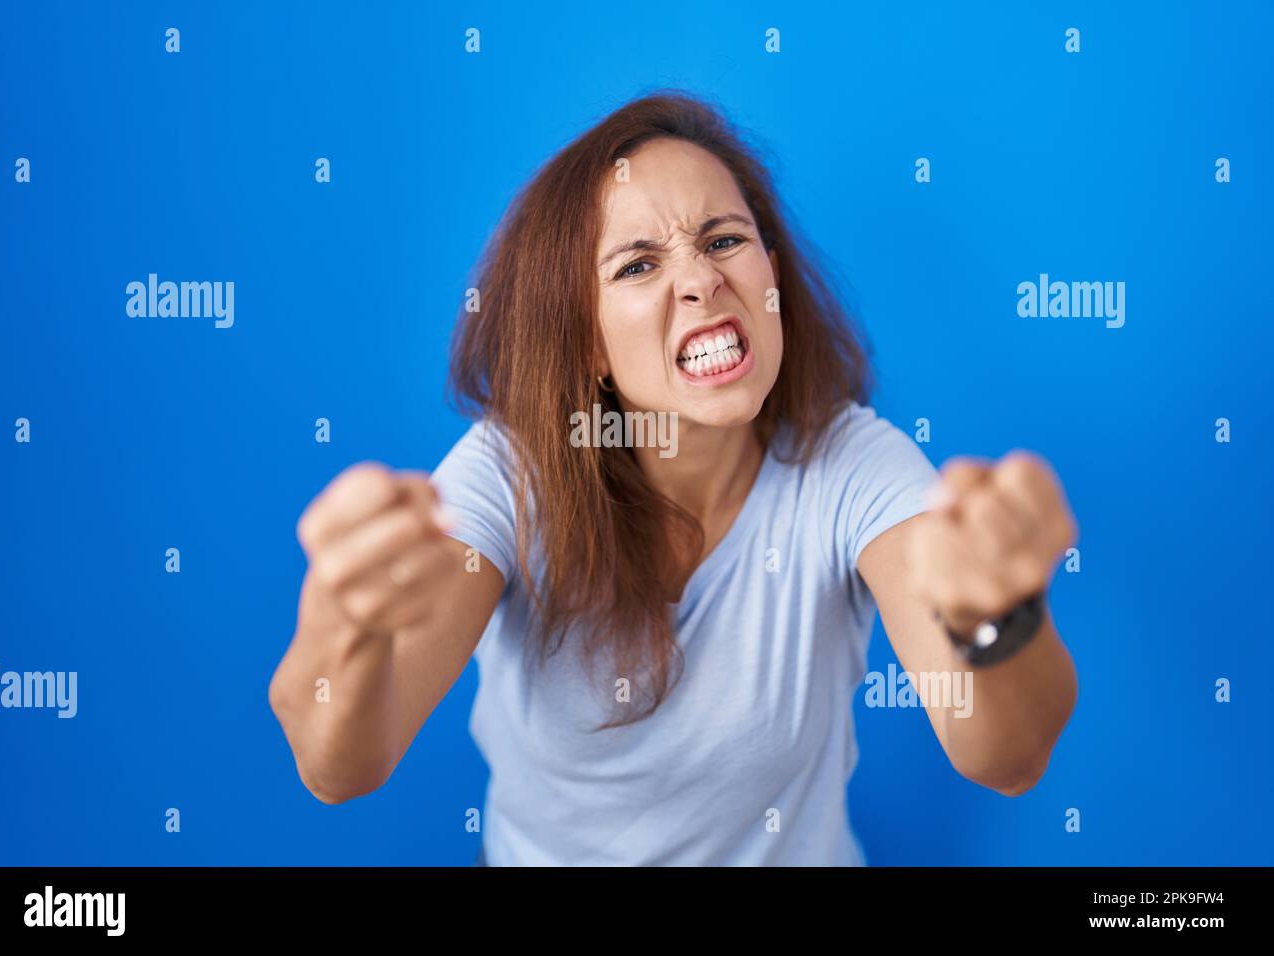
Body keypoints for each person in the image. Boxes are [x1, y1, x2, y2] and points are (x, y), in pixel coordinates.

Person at [268, 91, 1079, 866]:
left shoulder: (850, 464)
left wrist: (997, 617)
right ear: (587, 343)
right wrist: (350, 619)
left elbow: (1006, 758)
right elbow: (338, 766)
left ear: (772, 273)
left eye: (724, 239)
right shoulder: (506, 476)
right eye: (637, 266)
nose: (699, 280)